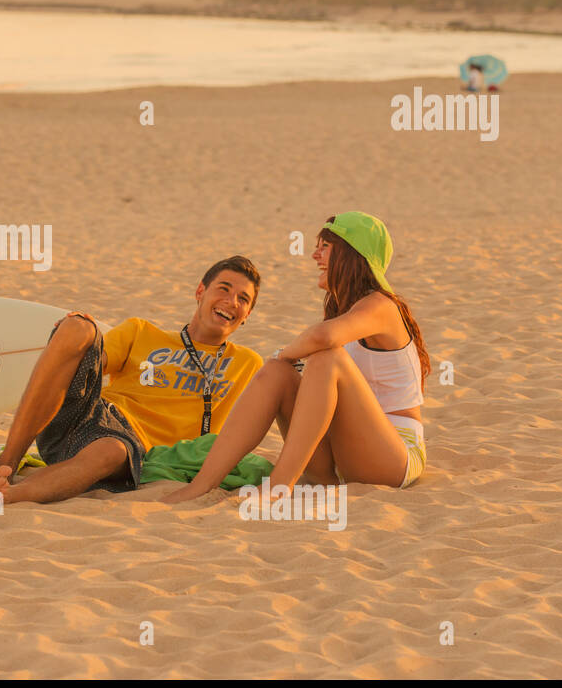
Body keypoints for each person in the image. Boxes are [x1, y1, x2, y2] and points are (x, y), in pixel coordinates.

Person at [163, 212, 429, 503]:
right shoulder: (347, 310)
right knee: (278, 372)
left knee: (325, 358)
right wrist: (280, 363)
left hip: (394, 460)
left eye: (325, 247)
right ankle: (201, 485)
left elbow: (322, 339)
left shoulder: (381, 306)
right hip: (340, 461)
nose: (315, 255)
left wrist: (282, 354)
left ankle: (279, 486)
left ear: (352, 255)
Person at [0, 257, 265, 505]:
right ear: (200, 291)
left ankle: (7, 495)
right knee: (79, 326)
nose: (231, 302)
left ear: (247, 314)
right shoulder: (141, 331)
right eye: (223, 289)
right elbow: (84, 371)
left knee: (111, 450)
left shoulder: (247, 364)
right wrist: (74, 336)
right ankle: (6, 465)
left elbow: (279, 407)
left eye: (243, 299)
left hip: (131, 447)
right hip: (89, 414)